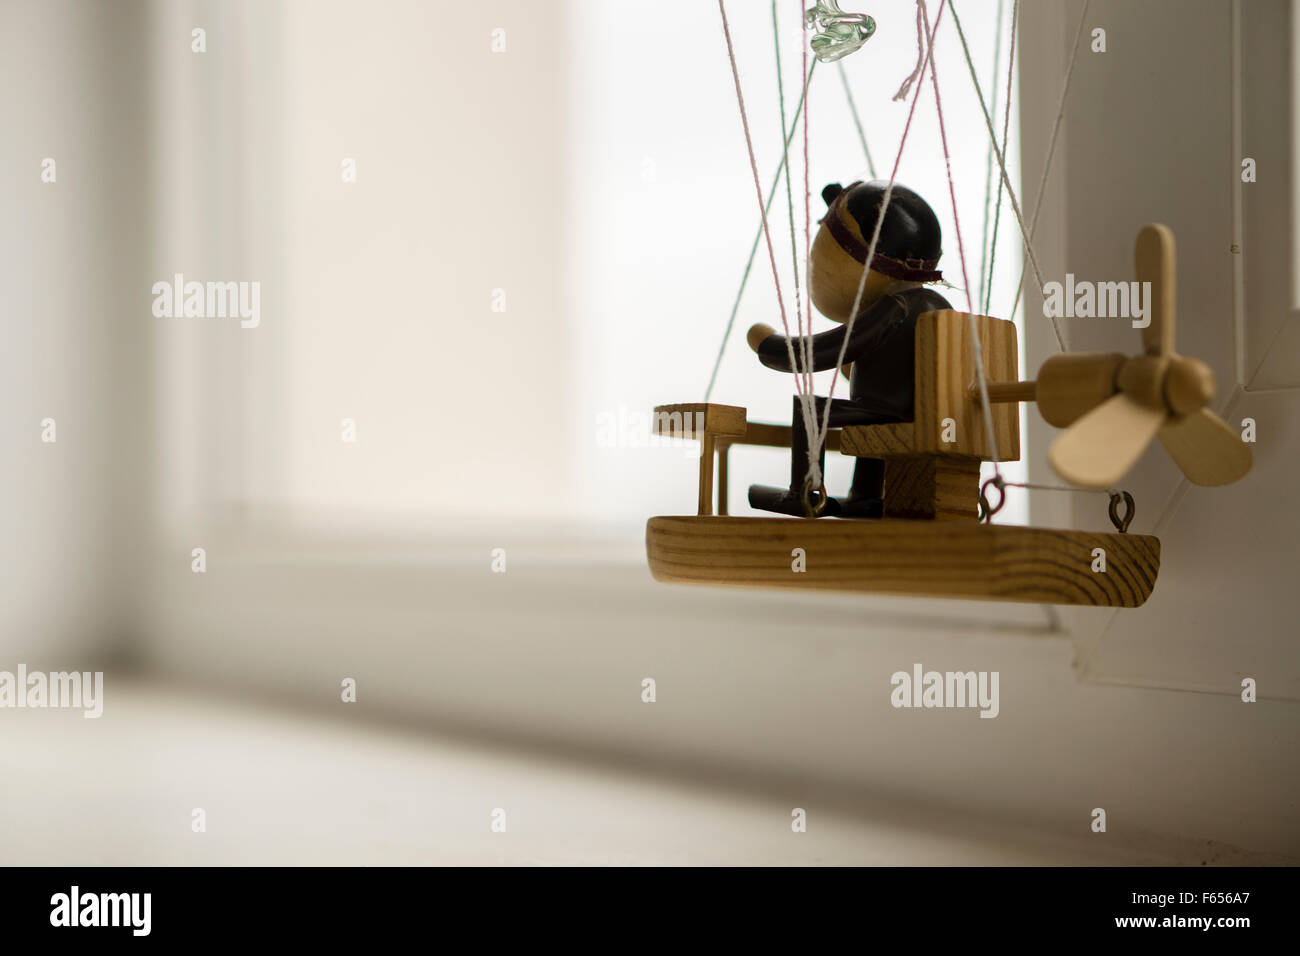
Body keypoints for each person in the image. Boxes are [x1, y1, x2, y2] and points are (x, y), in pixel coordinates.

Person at [746, 180, 951, 518]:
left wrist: (771, 347)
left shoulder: (896, 307)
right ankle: (865, 495)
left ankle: (805, 491)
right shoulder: (933, 304)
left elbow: (829, 350)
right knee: (864, 423)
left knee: (809, 409)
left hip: (890, 410)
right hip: (909, 410)